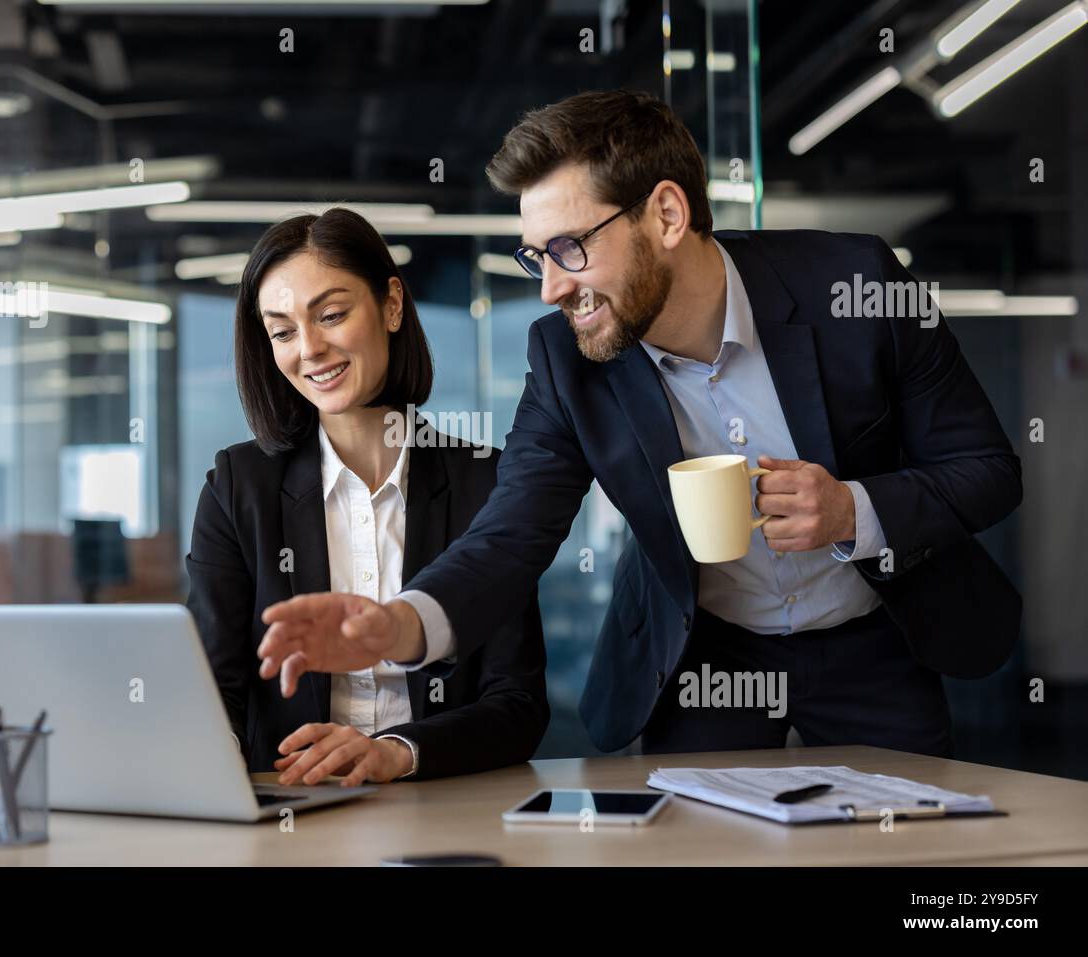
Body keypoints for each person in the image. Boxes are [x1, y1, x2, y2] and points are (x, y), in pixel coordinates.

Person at [255, 89, 1022, 757]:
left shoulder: (854, 286)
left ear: (665, 212)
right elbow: (512, 531)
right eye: (535, 257)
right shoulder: (566, 358)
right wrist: (400, 625)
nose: (552, 287)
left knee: (917, 854)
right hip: (708, 655)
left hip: (876, 636)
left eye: (569, 248)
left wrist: (854, 508)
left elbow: (987, 468)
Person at [185, 207, 549, 786]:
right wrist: (215, 761)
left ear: (392, 305)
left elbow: (517, 703)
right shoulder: (237, 487)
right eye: (282, 331)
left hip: (440, 799)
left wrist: (398, 751)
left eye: (330, 315)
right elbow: (213, 685)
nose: (308, 349)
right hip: (292, 806)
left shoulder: (484, 481)